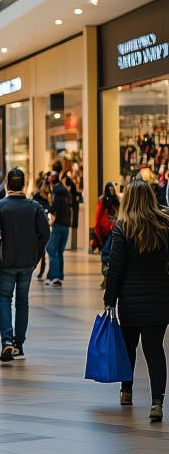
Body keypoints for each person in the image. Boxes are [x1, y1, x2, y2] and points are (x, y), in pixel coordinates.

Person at [103, 178, 169, 422]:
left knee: (128, 347)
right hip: (160, 298)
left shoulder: (122, 228)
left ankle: (127, 391)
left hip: (130, 300)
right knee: (154, 350)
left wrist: (109, 298)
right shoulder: (164, 224)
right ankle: (157, 403)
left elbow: (116, 268)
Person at [0, 167, 50, 362]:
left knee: (4, 300)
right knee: (22, 302)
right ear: (23, 184)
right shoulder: (34, 207)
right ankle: (19, 344)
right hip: (26, 262)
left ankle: (7, 341)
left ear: (7, 184)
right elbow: (45, 233)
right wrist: (36, 254)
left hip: (7, 262)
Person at [45, 171, 72, 286]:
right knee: (59, 251)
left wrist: (50, 214)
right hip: (66, 225)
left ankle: (54, 277)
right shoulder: (65, 191)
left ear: (52, 179)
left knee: (51, 248)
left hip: (58, 224)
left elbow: (55, 207)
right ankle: (59, 276)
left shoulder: (55, 191)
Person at [94, 182, 120, 287]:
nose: (111, 191)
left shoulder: (116, 201)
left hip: (112, 232)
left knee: (106, 256)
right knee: (105, 256)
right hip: (105, 232)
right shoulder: (103, 201)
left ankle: (108, 277)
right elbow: (98, 216)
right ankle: (105, 276)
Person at [32, 180, 52, 279]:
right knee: (40, 249)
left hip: (42, 225)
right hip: (39, 225)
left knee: (43, 249)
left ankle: (41, 269)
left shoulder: (43, 198)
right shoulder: (37, 197)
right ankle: (39, 268)